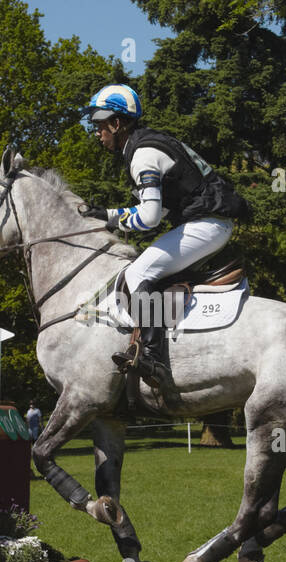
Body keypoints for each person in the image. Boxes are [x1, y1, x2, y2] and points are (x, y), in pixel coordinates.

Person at [78, 83, 248, 386]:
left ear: (117, 124)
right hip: (207, 222)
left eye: (100, 124)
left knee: (138, 272)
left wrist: (112, 218)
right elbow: (162, 212)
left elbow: (150, 217)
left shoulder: (143, 155)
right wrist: (111, 216)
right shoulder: (148, 145)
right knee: (148, 272)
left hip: (207, 225)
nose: (97, 132)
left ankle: (153, 359)